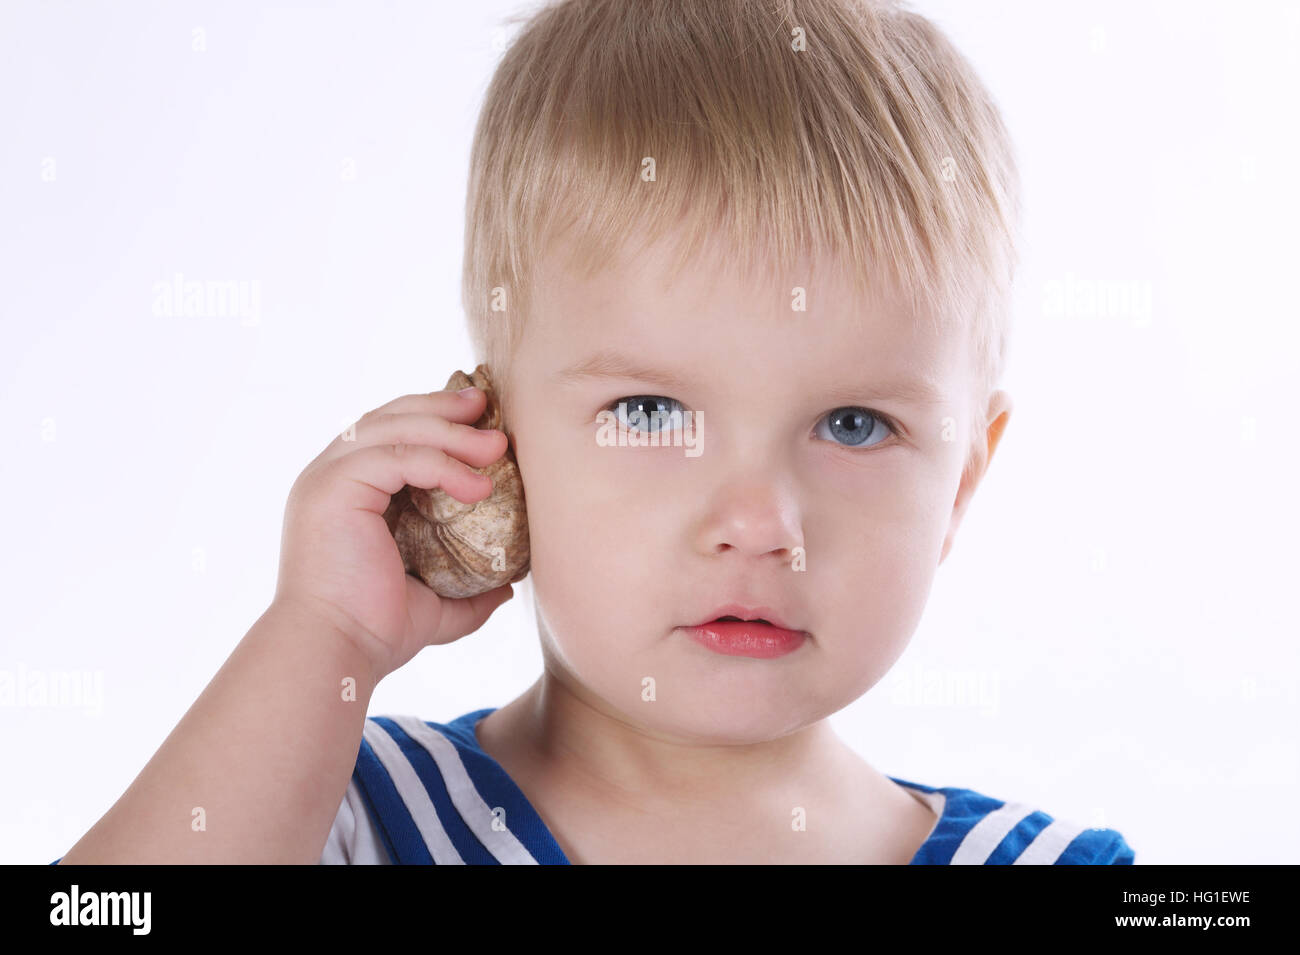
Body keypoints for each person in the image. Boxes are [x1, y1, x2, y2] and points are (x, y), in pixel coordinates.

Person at [53, 0, 1135, 865]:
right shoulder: (348, 814)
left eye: (853, 424)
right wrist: (324, 636)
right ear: (498, 445)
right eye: (651, 413)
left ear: (957, 487)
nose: (758, 523)